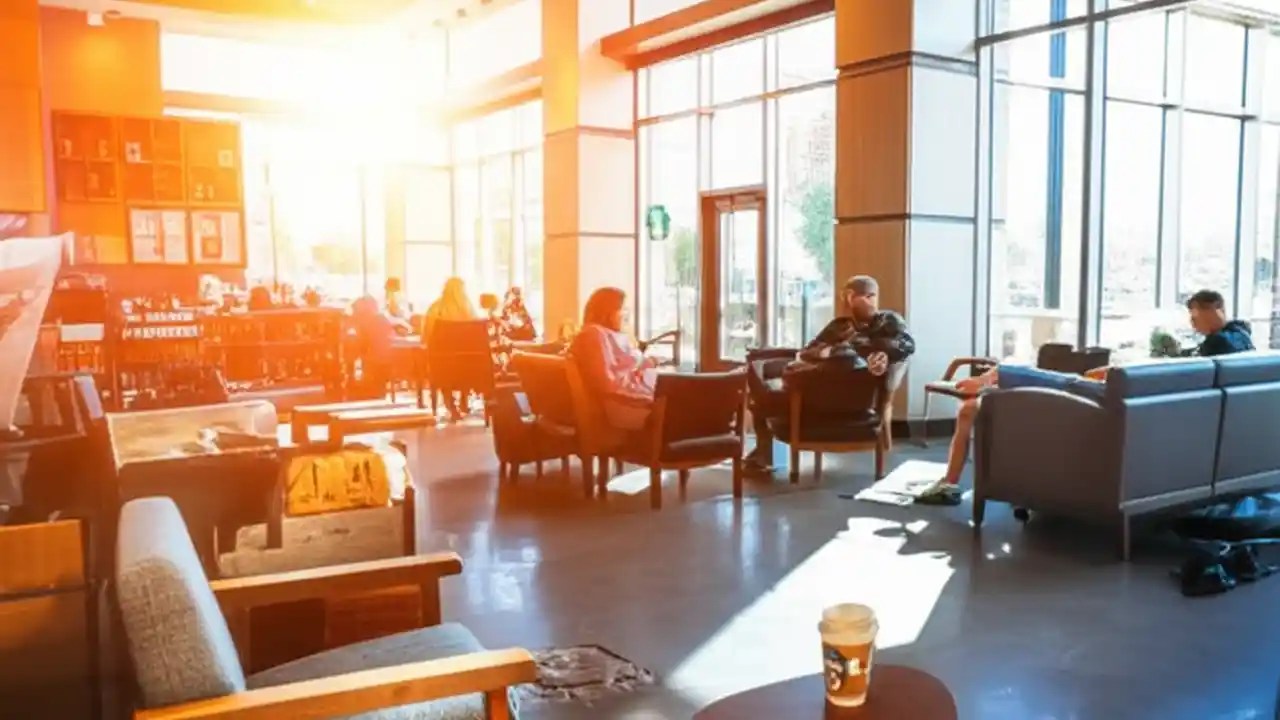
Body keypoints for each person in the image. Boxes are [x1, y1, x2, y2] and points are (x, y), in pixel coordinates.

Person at [922, 288, 1255, 506]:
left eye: (1195, 315)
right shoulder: (1237, 346)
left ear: (1215, 309)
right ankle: (988, 383)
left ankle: (987, 382)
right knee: (1031, 384)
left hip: (1093, 402)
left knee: (1031, 380)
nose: (1192, 321)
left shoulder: (1217, 347)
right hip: (1112, 400)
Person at [744, 275, 915, 472]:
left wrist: (866, 344)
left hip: (852, 395)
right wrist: (822, 352)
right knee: (757, 369)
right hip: (818, 385)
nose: (844, 302)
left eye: (850, 297)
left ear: (865, 297)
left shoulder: (889, 322)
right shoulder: (840, 325)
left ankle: (764, 438)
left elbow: (907, 345)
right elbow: (808, 350)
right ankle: (765, 434)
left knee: (762, 401)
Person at [569, 287, 658, 431]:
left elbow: (621, 367)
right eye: (623, 310)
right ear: (608, 311)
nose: (626, 316)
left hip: (633, 397)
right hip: (624, 405)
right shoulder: (594, 334)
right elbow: (607, 383)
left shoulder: (607, 334)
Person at [1183, 289, 1254, 356]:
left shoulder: (1217, 342)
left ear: (1213, 311)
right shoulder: (1241, 334)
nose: (1192, 320)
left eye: (1195, 313)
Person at [422, 277, 478, 342]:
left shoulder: (435, 308)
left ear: (445, 289)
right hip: (465, 349)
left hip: (439, 349)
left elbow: (426, 336)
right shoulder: (468, 310)